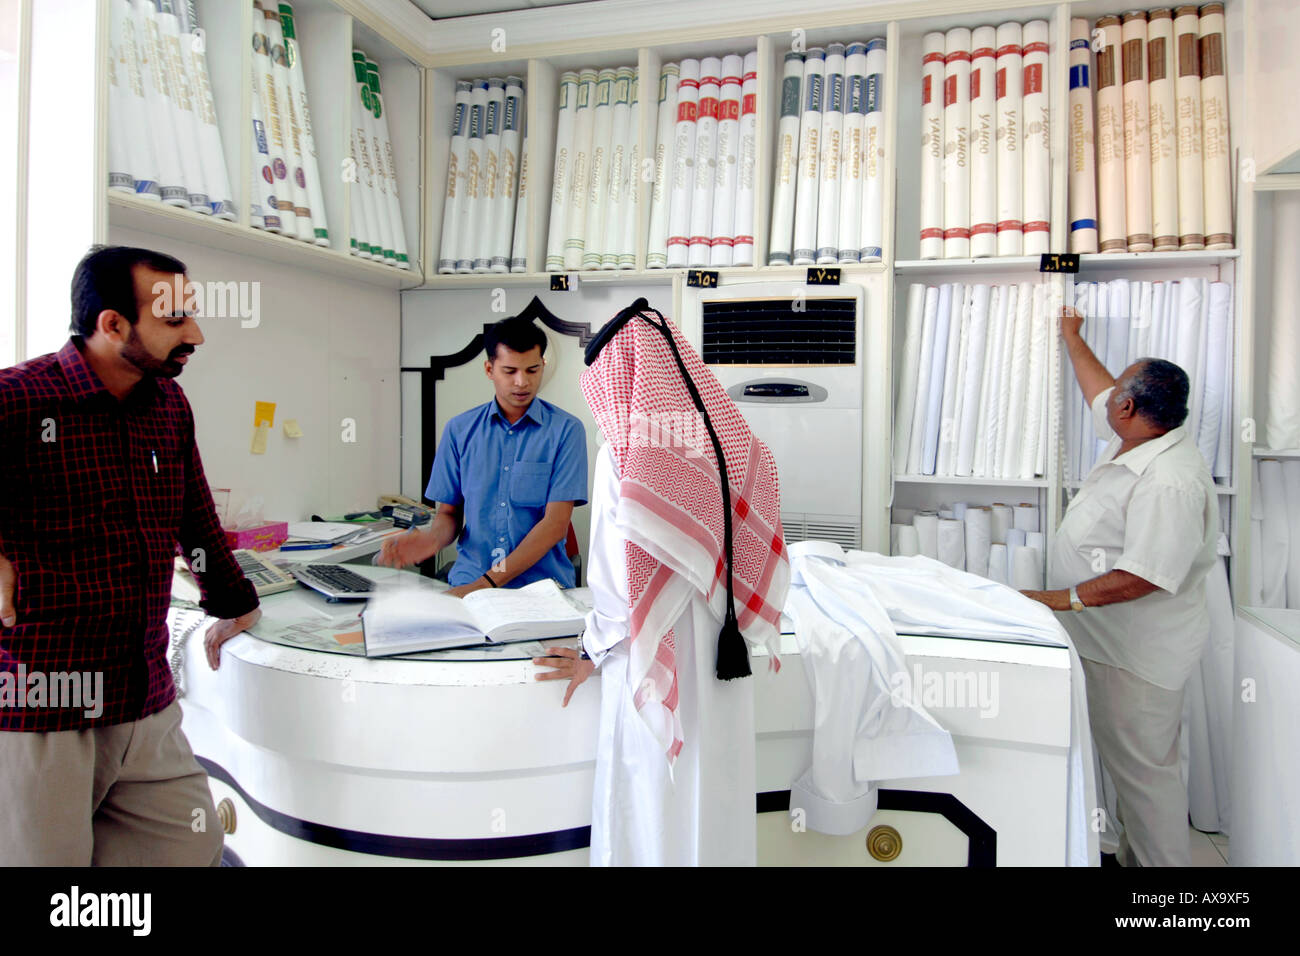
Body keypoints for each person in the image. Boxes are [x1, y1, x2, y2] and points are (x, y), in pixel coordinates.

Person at [0, 245, 262, 865]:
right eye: (174, 319)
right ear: (112, 324)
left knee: (189, 843)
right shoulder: (19, 398)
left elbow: (193, 516)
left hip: (144, 697)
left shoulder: (167, 407)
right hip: (46, 703)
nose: (195, 333)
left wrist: (235, 601)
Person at [535, 302, 789, 866]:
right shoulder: (737, 441)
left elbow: (616, 584)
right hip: (727, 665)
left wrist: (588, 651)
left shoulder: (627, 455)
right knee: (716, 803)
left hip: (658, 655)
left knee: (654, 807)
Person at [1022, 306, 1217, 867]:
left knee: (1146, 783)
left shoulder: (1169, 481)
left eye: (1117, 395)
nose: (1106, 398)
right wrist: (1070, 337)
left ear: (1128, 408)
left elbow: (1146, 574)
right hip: (1110, 646)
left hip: (1135, 659)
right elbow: (1099, 386)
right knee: (1135, 778)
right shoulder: (1142, 435)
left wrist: (1062, 598)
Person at [378, 315, 587, 594]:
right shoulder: (459, 430)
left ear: (542, 366)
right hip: (470, 580)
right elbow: (449, 514)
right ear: (490, 369)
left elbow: (554, 526)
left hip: (540, 588)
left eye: (532, 370)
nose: (522, 382)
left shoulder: (566, 431)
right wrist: (431, 541)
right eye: (510, 371)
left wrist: (485, 584)